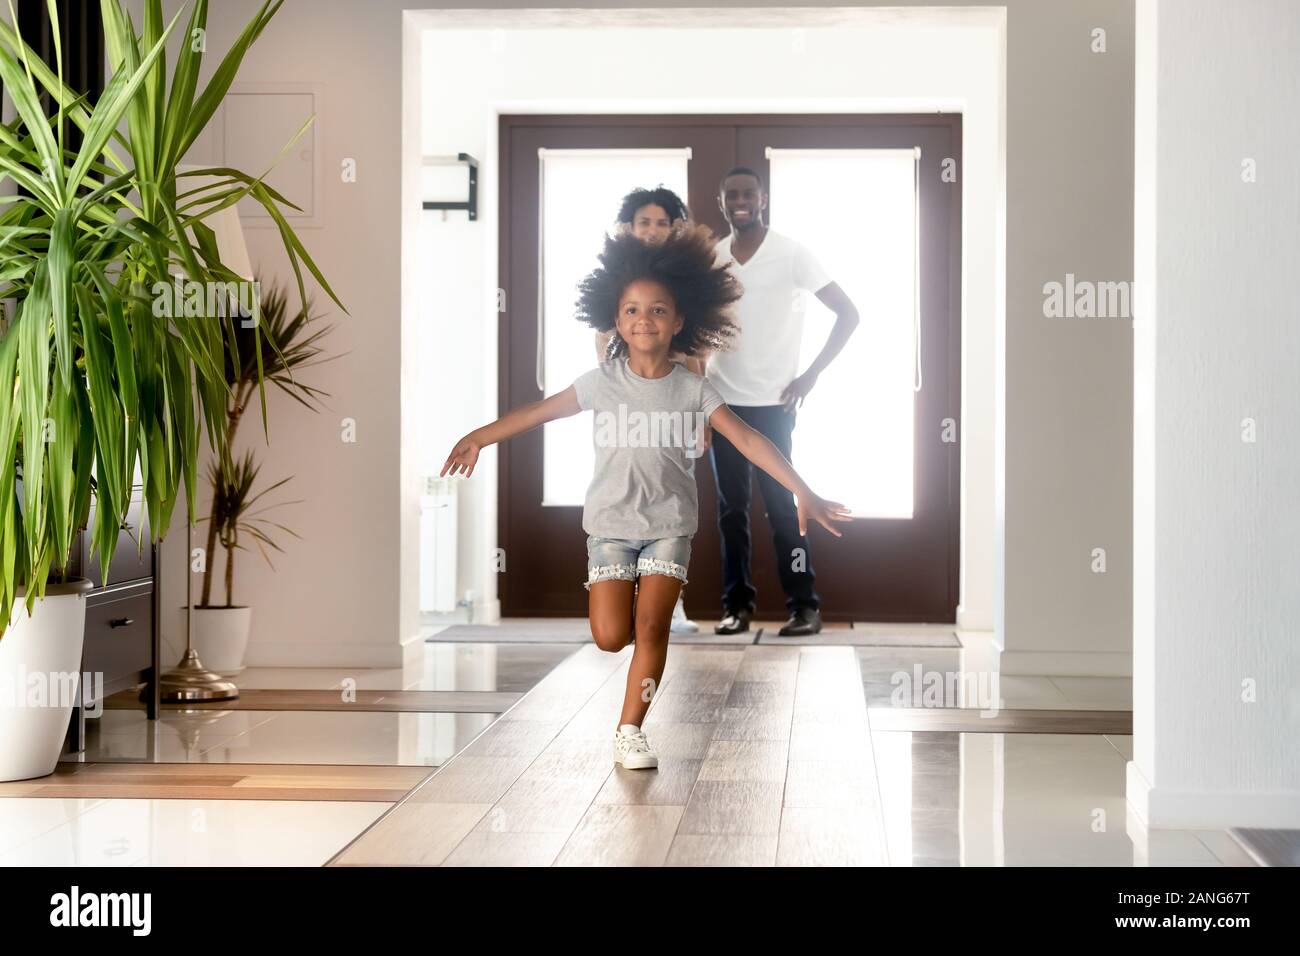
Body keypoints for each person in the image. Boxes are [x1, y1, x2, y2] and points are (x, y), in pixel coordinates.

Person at [441, 224, 851, 770]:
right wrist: (477, 437)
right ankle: (631, 644)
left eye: (657, 310)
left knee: (652, 627)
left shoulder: (692, 387)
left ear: (680, 321)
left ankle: (630, 729)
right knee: (612, 636)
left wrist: (804, 489)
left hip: (669, 524)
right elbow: (537, 413)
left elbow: (750, 439)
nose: (644, 320)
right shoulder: (599, 382)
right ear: (616, 320)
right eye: (632, 310)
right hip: (609, 528)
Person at [706, 166, 861, 637]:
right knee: (731, 511)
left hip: (774, 404)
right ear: (721, 201)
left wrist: (810, 376)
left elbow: (849, 314)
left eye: (748, 193)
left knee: (783, 507)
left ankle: (804, 606)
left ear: (763, 199)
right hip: (723, 402)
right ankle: (737, 606)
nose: (740, 200)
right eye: (731, 193)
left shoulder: (792, 253)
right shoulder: (712, 257)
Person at [594, 186, 704, 635]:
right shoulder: (614, 275)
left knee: (671, 494)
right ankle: (620, 591)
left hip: (676, 401)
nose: (654, 230)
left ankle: (667, 602)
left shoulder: (687, 275)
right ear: (629, 227)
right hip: (624, 402)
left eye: (663, 222)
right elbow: (603, 337)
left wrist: (699, 412)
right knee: (623, 488)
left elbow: (699, 349)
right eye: (645, 222)